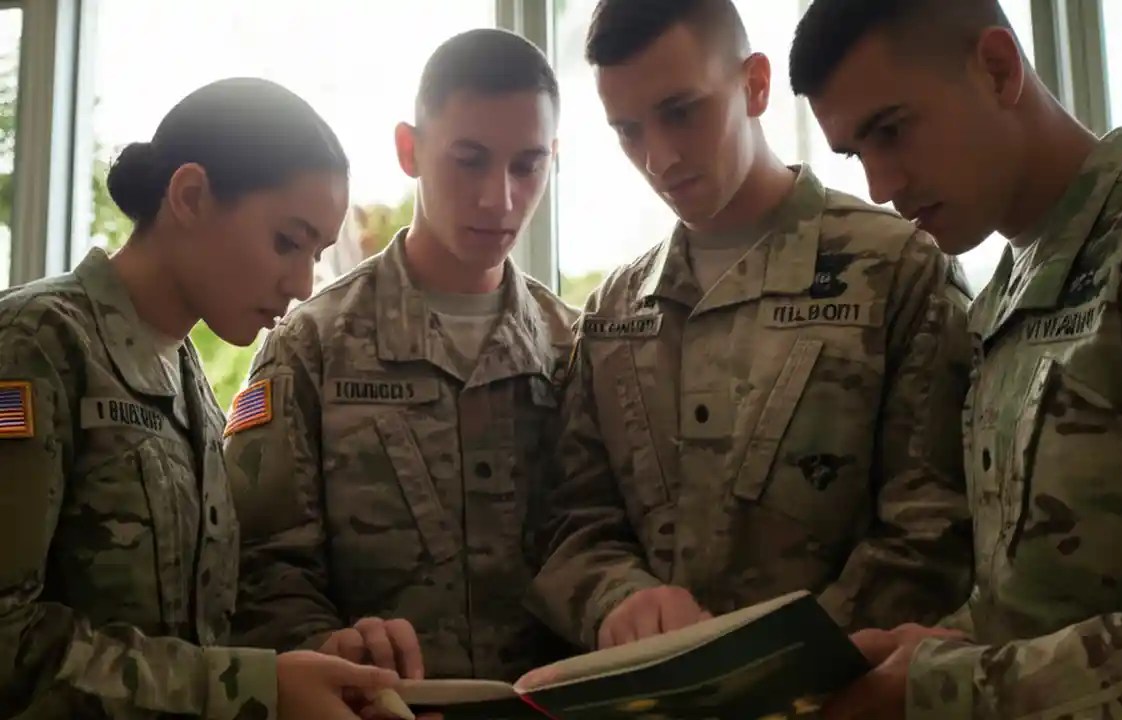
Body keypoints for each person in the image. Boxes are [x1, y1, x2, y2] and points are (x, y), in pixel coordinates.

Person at [789, 0, 1122, 718]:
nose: (880, 187)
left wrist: (942, 688)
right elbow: (1040, 605)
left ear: (997, 69)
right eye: (855, 154)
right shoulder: (1005, 297)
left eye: (891, 130)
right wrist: (938, 649)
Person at [524, 0, 973, 655]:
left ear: (756, 85)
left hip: (851, 689)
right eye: (628, 130)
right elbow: (576, 523)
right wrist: (619, 601)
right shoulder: (614, 312)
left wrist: (775, 663)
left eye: (682, 112)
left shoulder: (897, 270)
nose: (659, 158)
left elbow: (934, 532)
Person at [0, 77, 401, 719]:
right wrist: (253, 689)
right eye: (287, 241)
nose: (303, 284)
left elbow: (193, 639)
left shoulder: (195, 394)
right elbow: (7, 639)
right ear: (189, 196)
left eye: (317, 254)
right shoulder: (34, 346)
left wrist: (314, 661)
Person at [223, 29, 578, 684]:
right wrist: (331, 651)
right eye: (469, 160)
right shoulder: (311, 347)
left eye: (527, 166)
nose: (498, 199)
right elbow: (261, 568)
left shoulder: (575, 348)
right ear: (409, 150)